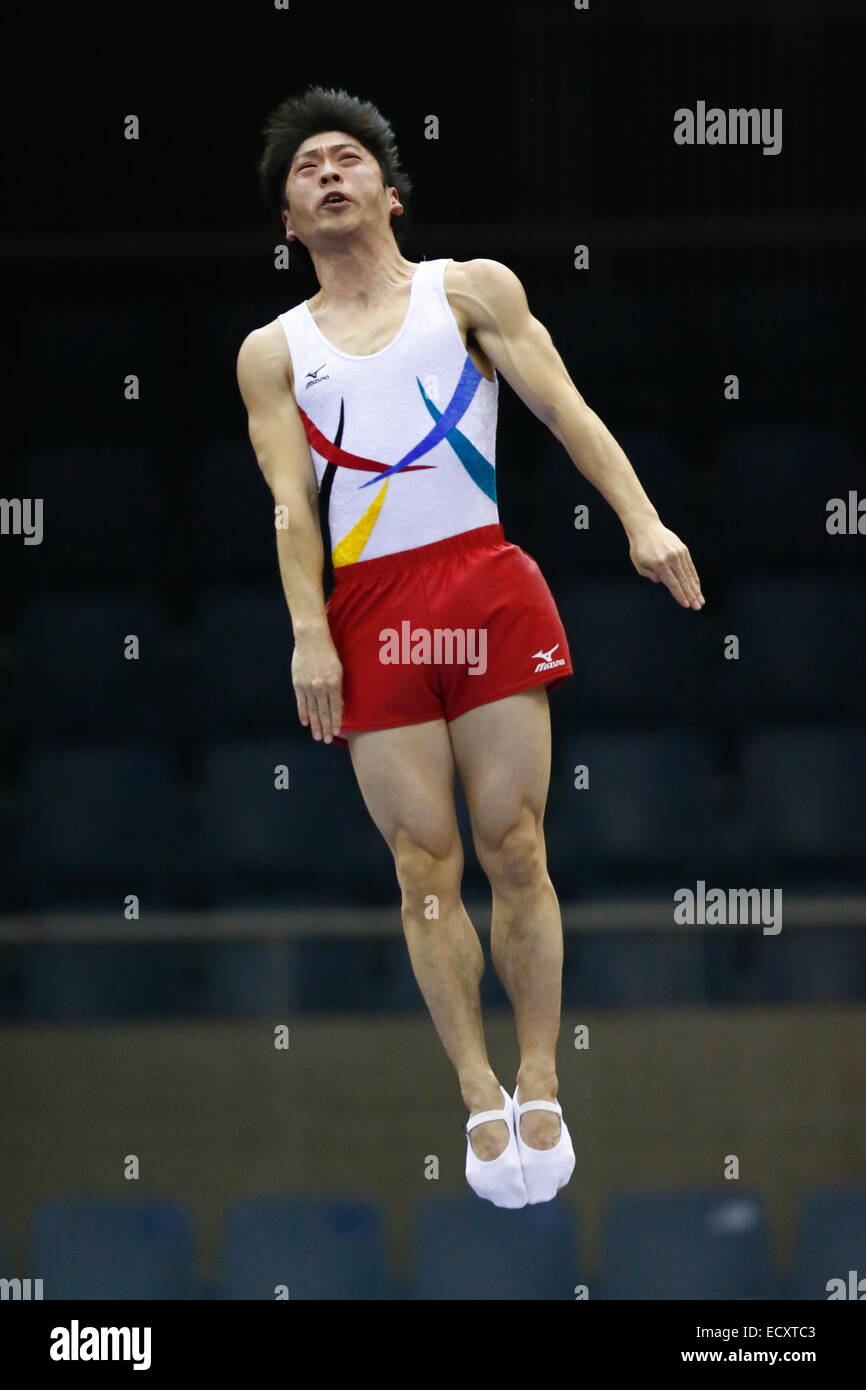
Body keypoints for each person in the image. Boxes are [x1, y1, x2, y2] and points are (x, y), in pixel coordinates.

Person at [237, 85, 705, 1208]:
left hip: (482, 574)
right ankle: (473, 1086)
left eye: (348, 159)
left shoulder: (469, 291)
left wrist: (640, 517)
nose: (329, 174)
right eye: (307, 172)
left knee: (515, 843)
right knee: (421, 863)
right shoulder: (272, 351)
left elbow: (565, 408)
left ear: (390, 194)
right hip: (371, 610)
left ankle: (539, 1071)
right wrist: (309, 632)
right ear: (289, 224)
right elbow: (290, 505)